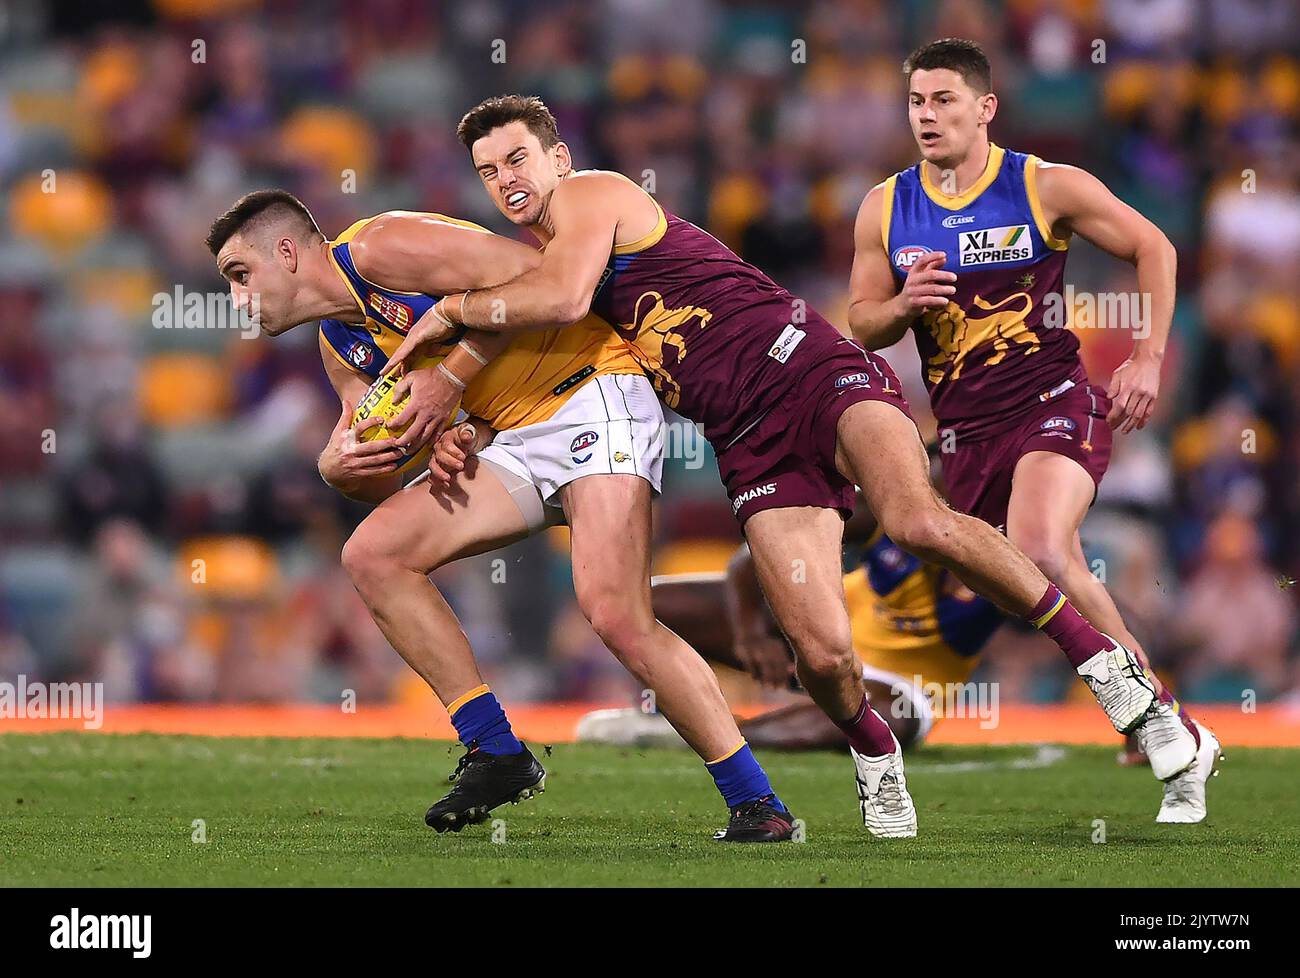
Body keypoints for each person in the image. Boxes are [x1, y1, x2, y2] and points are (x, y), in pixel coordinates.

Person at [386, 94, 1186, 838]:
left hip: (809, 365)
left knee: (916, 519)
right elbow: (544, 357)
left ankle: (1108, 669)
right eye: (489, 172)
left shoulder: (590, 197)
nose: (507, 182)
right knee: (824, 656)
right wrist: (461, 421)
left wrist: (451, 313)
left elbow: (559, 301)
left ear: (557, 157)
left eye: (518, 159)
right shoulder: (537, 260)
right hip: (745, 436)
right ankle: (876, 753)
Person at [205, 191, 795, 842]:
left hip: (591, 390)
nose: (238, 300)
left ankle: (757, 803)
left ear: (287, 252)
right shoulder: (340, 348)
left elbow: (535, 278)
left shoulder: (382, 247)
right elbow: (381, 457)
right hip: (513, 438)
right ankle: (496, 751)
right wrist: (343, 468)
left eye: (240, 276)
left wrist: (451, 378)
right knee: (375, 554)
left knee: (615, 613)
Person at [845, 38, 1217, 823]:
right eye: (916, 101)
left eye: (944, 99)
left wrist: (1147, 358)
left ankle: (1157, 724)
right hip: (966, 437)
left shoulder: (1044, 184)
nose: (927, 115)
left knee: (1043, 546)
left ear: (985, 108)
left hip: (1053, 398)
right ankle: (1171, 725)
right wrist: (901, 305)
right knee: (1045, 580)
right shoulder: (885, 205)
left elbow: (1154, 244)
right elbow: (861, 320)